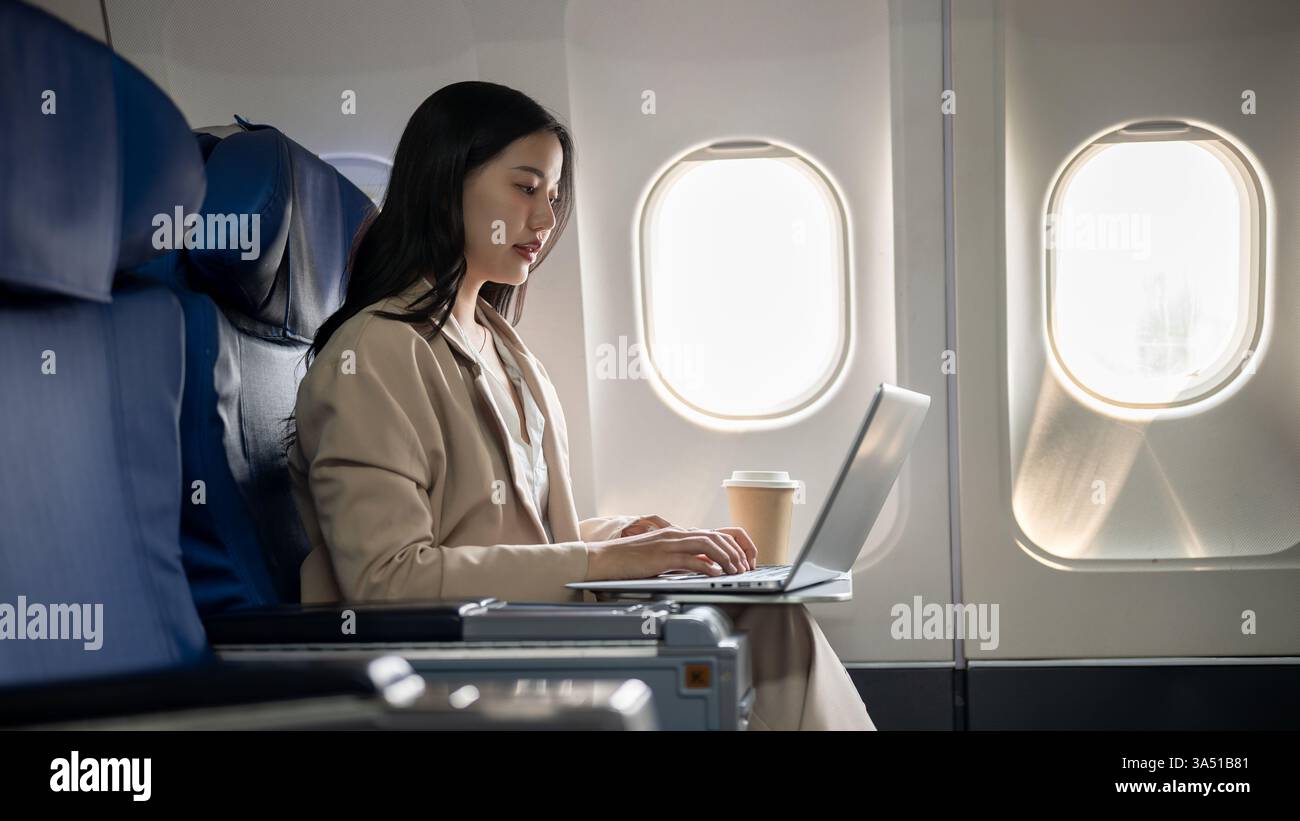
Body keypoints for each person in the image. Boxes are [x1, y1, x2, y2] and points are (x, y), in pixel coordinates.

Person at [285, 81, 874, 730]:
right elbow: (389, 582)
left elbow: (509, 534)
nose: (545, 220)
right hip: (451, 667)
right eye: (526, 187)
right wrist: (609, 562)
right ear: (448, 180)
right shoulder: (374, 354)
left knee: (772, 620)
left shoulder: (503, 348)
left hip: (529, 632)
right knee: (755, 645)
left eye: (555, 196)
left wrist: (631, 539)